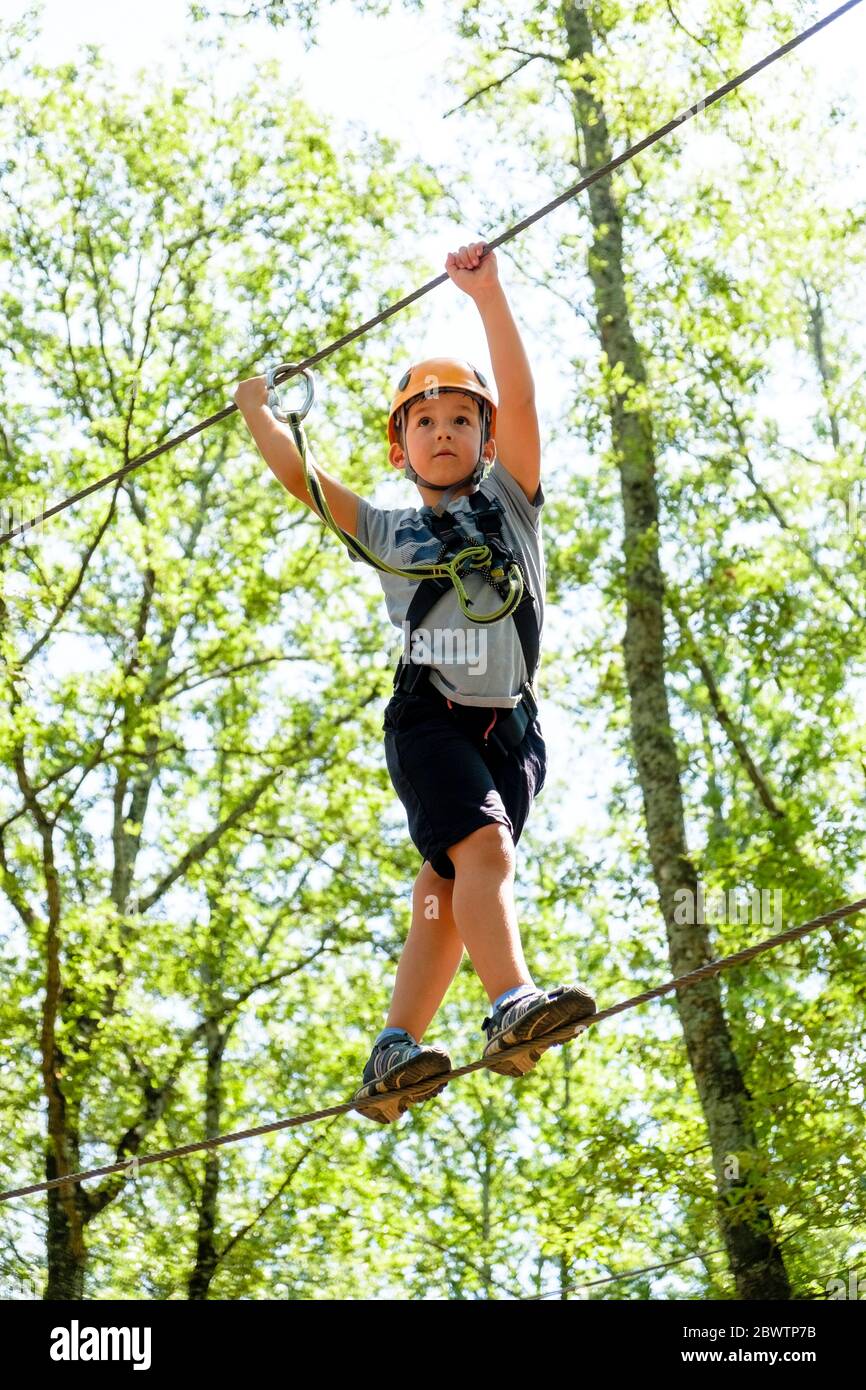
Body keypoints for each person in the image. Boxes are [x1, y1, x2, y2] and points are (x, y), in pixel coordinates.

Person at [233, 242, 595, 1126]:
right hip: (431, 717)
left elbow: (523, 397)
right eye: (425, 423)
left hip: (513, 731)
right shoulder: (389, 530)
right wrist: (255, 411)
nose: (444, 433)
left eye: (462, 420)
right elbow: (303, 480)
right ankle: (511, 1002)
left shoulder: (511, 499)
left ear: (488, 440)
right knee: (485, 852)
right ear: (399, 448)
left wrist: (488, 297)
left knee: (446, 889)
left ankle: (394, 1050)